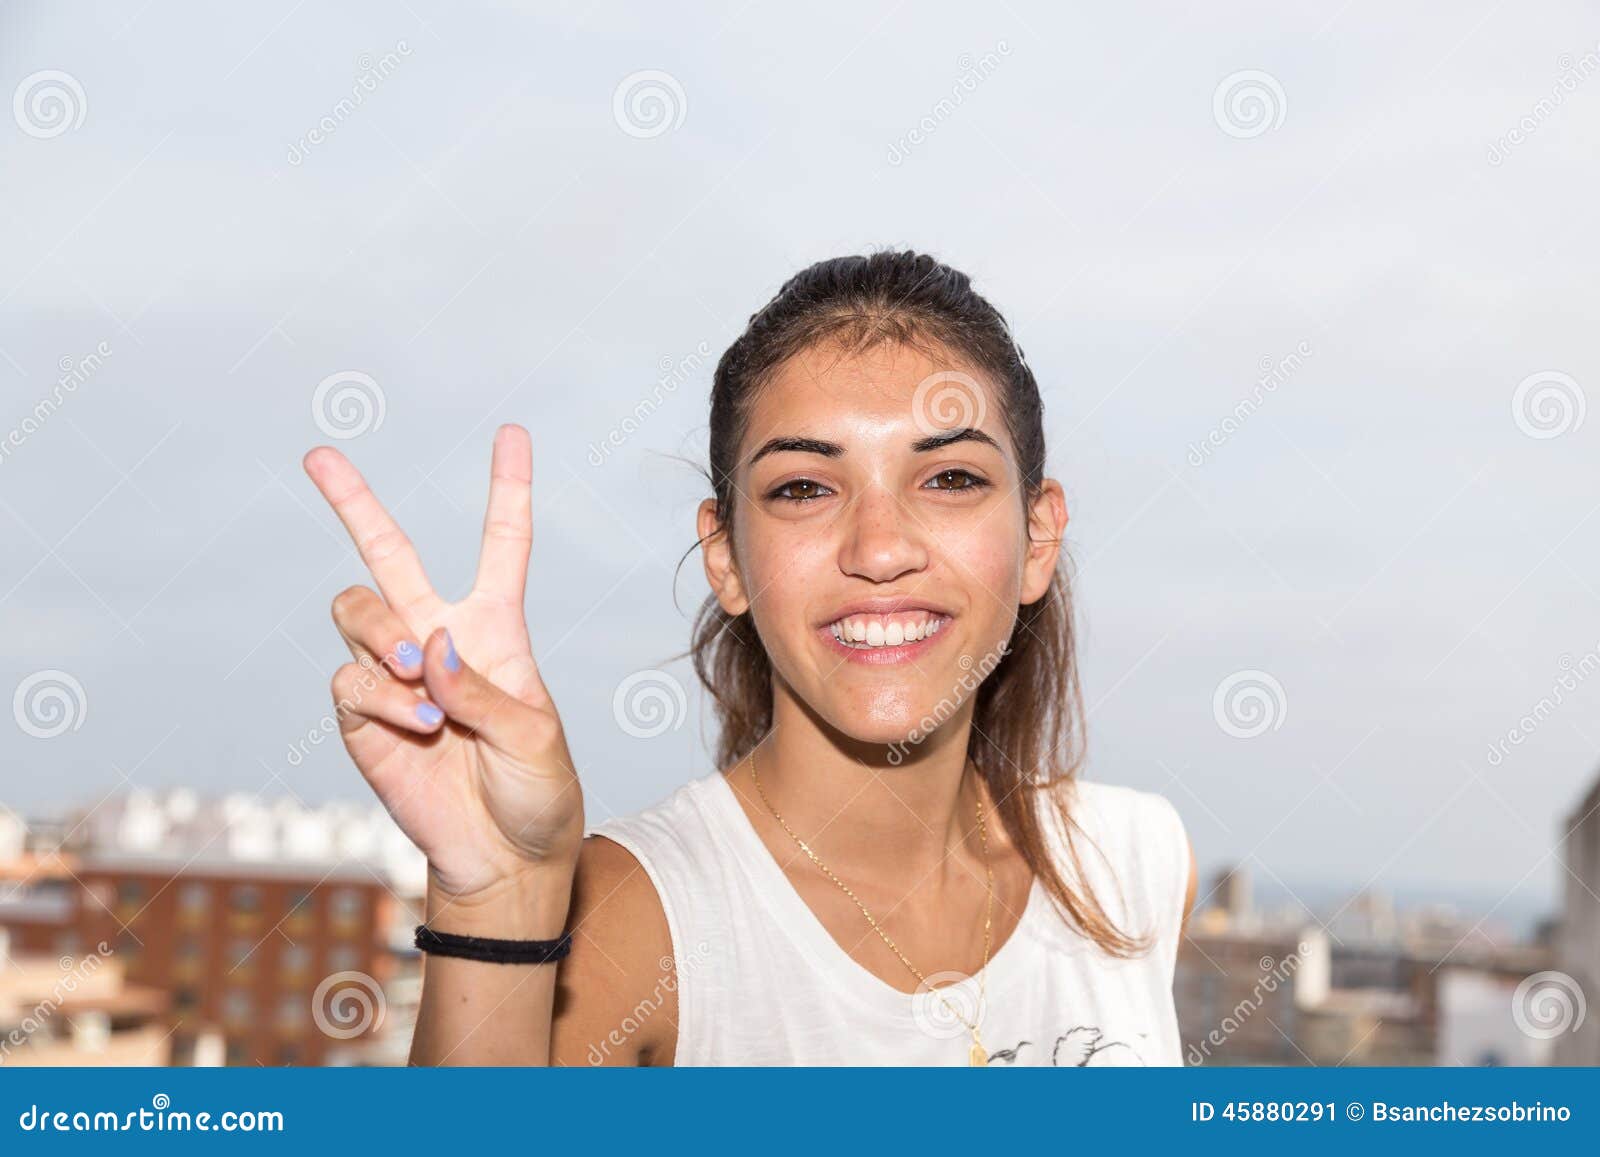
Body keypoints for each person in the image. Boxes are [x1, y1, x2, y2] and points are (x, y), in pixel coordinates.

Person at [302, 249, 1198, 1066]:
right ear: (725, 556)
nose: (880, 548)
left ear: (1038, 535)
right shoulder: (639, 921)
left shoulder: (1137, 863)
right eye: (804, 488)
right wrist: (495, 897)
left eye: (950, 478)